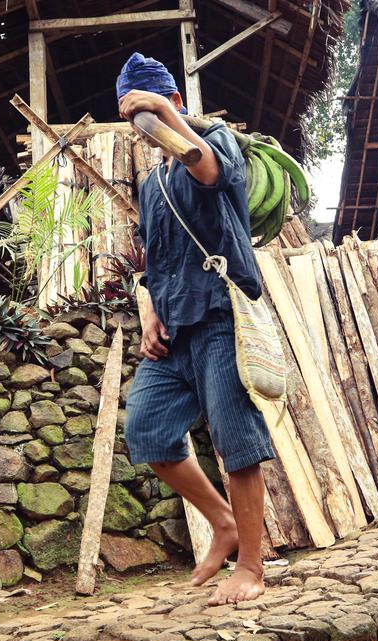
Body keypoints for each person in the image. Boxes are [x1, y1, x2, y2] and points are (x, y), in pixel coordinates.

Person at [116, 53, 274, 605]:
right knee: (148, 431)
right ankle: (223, 524)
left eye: (145, 107)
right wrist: (150, 310)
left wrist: (165, 115)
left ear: (175, 101)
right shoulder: (151, 183)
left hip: (219, 315)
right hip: (173, 327)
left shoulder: (217, 139)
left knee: (237, 442)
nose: (138, 124)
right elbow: (153, 258)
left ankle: (251, 568)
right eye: (129, 112)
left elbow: (207, 169)